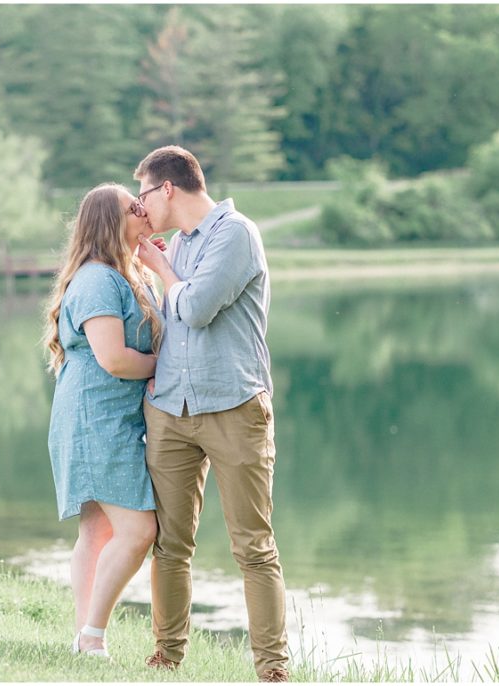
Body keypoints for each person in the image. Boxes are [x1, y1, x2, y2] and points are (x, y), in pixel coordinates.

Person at [131, 146, 289, 682]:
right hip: (171, 410)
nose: (140, 204)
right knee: (170, 545)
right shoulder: (177, 244)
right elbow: (176, 320)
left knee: (253, 546)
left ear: (168, 189)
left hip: (234, 408)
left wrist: (157, 268)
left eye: (143, 193)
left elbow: (196, 308)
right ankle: (167, 657)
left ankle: (271, 668)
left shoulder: (236, 233)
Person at [42, 183, 166, 659]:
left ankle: (83, 637)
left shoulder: (128, 273)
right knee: (138, 531)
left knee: (97, 532)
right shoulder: (97, 279)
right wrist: (168, 365)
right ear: (111, 222)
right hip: (95, 418)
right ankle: (92, 634)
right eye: (132, 207)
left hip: (110, 415)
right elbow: (114, 359)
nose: (143, 209)